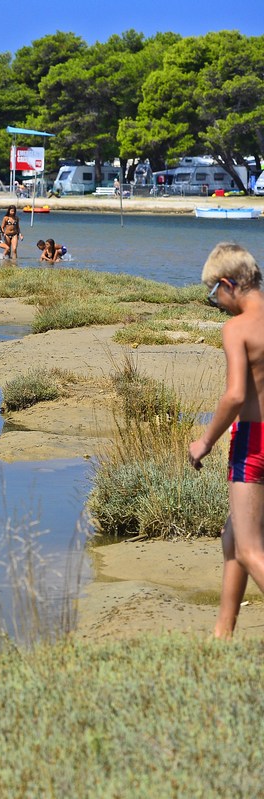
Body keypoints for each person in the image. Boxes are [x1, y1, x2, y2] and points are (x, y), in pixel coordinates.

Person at [188, 243, 264, 640]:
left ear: (227, 284)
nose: (215, 302)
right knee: (233, 535)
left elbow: (235, 396)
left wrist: (205, 441)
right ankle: (223, 633)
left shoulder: (236, 329)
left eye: (213, 294)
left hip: (255, 441)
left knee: (251, 549)